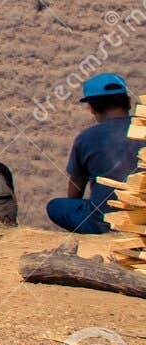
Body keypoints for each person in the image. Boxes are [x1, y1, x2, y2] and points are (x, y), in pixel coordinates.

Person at [47, 73, 137, 234]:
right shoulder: (142, 130)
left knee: (55, 206)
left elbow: (75, 190)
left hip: (104, 223)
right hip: (141, 216)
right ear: (128, 103)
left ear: (92, 108)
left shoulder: (86, 138)